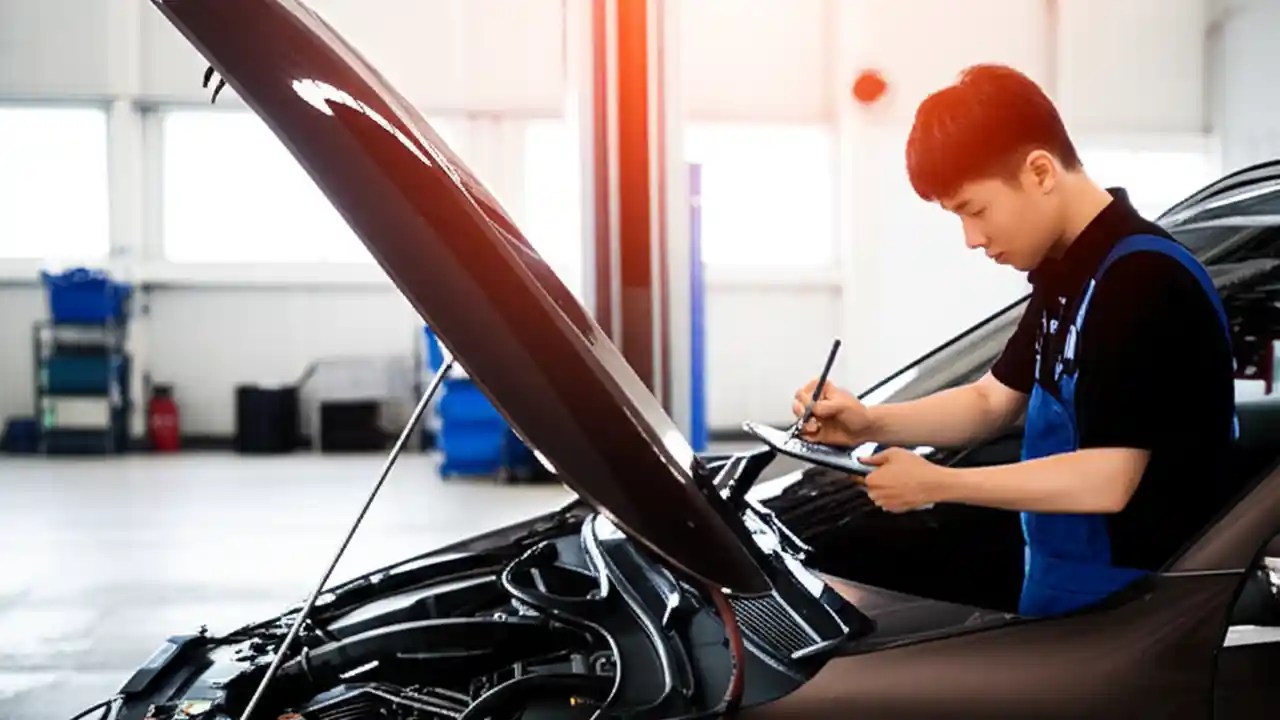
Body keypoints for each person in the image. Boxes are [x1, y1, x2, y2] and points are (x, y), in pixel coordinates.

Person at [791, 64, 1236, 617]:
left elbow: (1109, 479)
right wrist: (869, 421)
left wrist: (940, 484)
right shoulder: (1070, 272)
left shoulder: (1142, 279)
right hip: (1064, 586)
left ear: (1041, 171)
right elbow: (990, 401)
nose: (972, 240)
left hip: (1137, 607)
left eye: (974, 211)